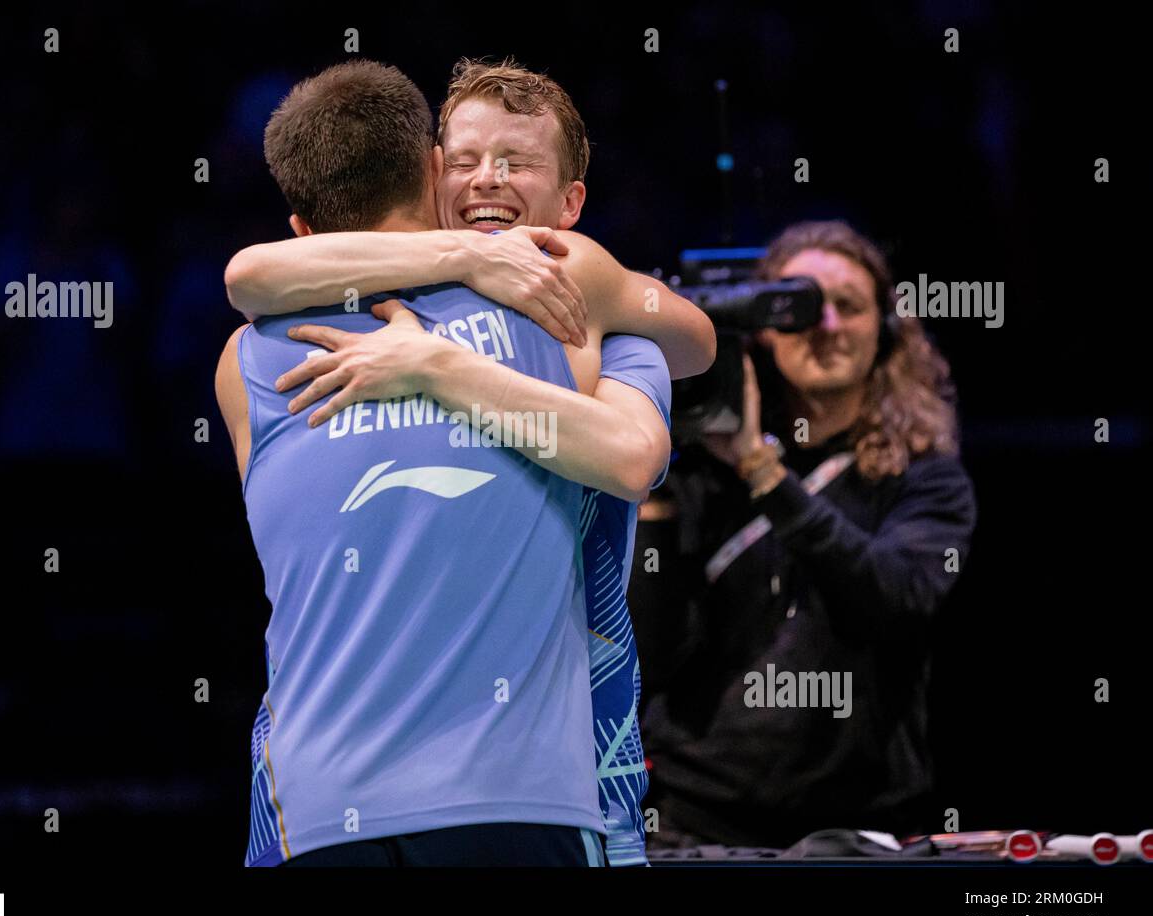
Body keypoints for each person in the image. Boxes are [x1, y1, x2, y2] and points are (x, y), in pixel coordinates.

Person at [227, 57, 701, 866]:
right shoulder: (562, 301)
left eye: (517, 164)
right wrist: (470, 262)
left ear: (572, 205)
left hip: (324, 804)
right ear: (434, 168)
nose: (489, 182)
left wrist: (437, 364)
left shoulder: (247, 357)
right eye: (470, 159)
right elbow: (250, 273)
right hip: (511, 796)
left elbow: (248, 275)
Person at [638, 220, 977, 850]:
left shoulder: (927, 480)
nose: (825, 327)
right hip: (691, 818)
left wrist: (761, 468)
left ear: (888, 328)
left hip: (857, 826)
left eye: (847, 307)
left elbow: (892, 599)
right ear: (762, 330)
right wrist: (651, 486)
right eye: (801, 309)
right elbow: (646, 657)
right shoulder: (701, 474)